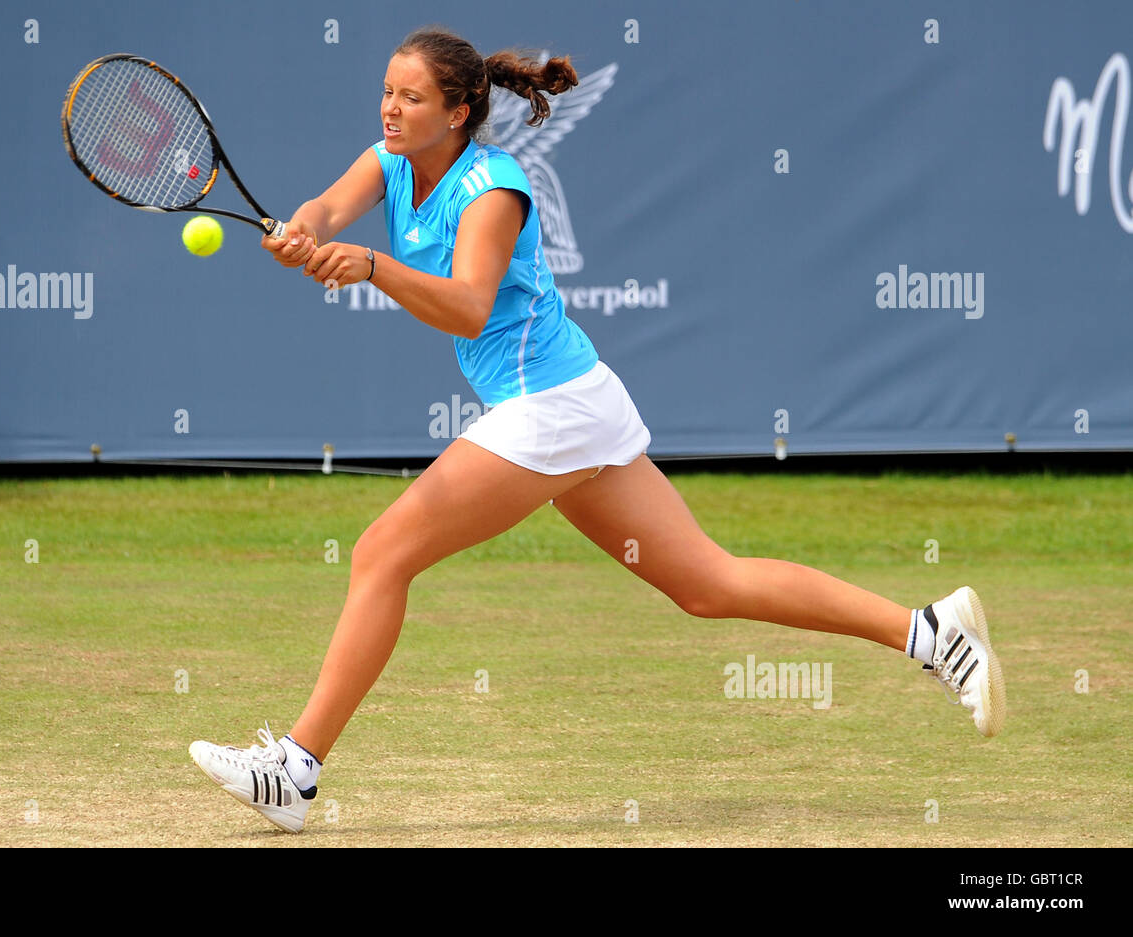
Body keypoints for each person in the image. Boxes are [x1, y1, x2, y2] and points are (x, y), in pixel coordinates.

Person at [189, 27, 1006, 833]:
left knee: (381, 552)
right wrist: (305, 230)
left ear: (462, 110)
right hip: (575, 402)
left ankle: (294, 770)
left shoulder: (495, 189)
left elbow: (472, 306)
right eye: (387, 91)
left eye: (411, 97)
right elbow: (330, 205)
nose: (391, 110)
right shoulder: (390, 158)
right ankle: (930, 633)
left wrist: (372, 265)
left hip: (548, 408)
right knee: (707, 585)